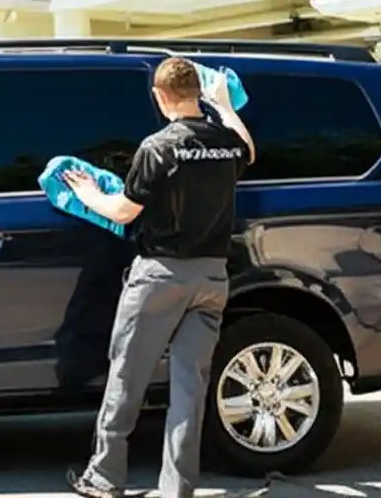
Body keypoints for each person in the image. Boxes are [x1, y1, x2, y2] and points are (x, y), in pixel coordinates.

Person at [61, 56, 255, 498]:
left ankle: (105, 477)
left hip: (161, 278)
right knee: (190, 386)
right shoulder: (225, 143)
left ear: (159, 96)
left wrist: (87, 193)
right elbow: (249, 149)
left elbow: (124, 211)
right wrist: (224, 105)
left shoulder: (158, 147)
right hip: (212, 279)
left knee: (127, 376)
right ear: (196, 93)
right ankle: (178, 489)